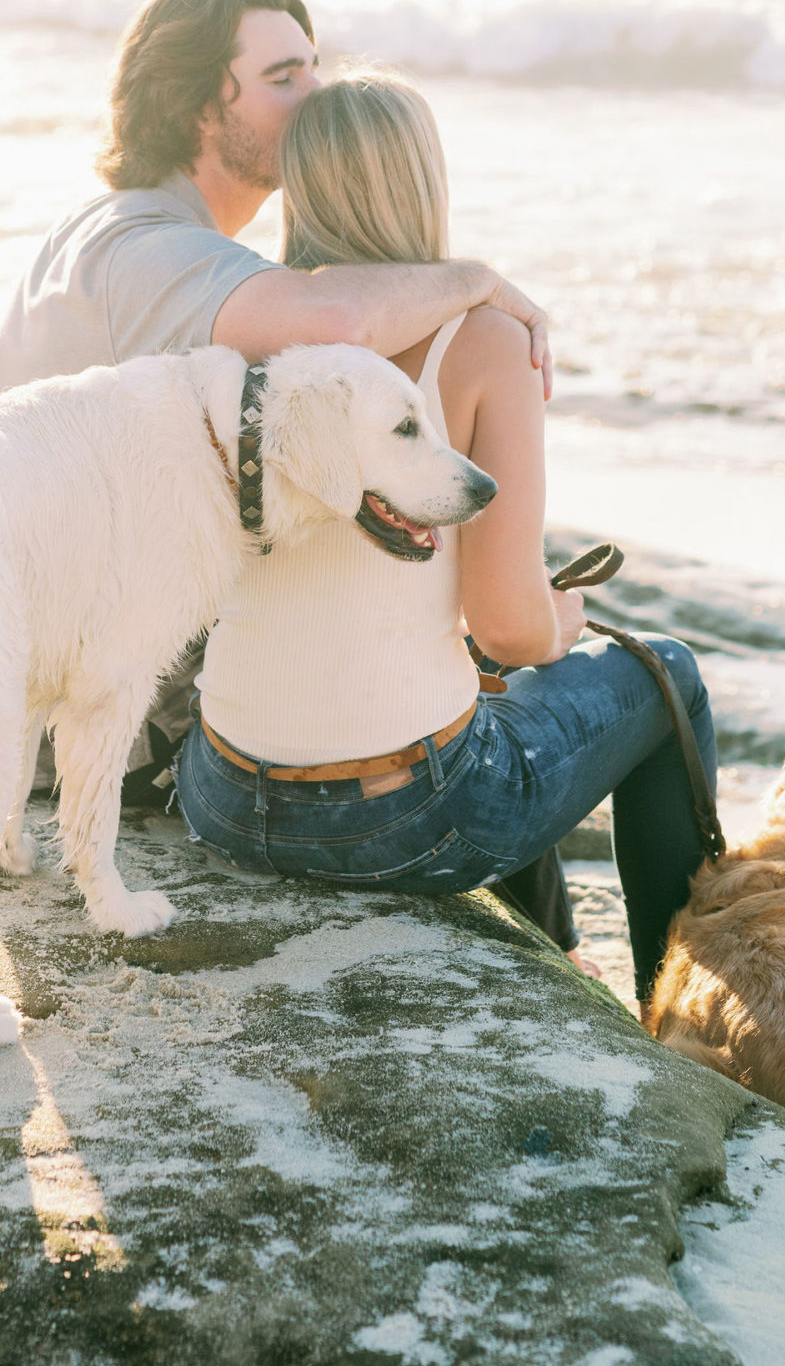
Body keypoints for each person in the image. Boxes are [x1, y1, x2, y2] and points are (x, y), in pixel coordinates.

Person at [175, 72, 720, 1011]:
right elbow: (509, 630)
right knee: (661, 674)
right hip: (395, 825)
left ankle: (549, 948)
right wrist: (563, 617)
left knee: (474, 691)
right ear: (424, 183)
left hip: (221, 795)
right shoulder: (478, 345)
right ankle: (670, 1011)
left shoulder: (244, 325)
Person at [0, 0, 561, 818]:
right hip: (80, 722)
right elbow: (337, 317)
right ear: (196, 110)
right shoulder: (154, 251)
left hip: (51, 671)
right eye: (283, 78)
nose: (314, 96)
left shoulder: (123, 231)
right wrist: (475, 278)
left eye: (313, 68)